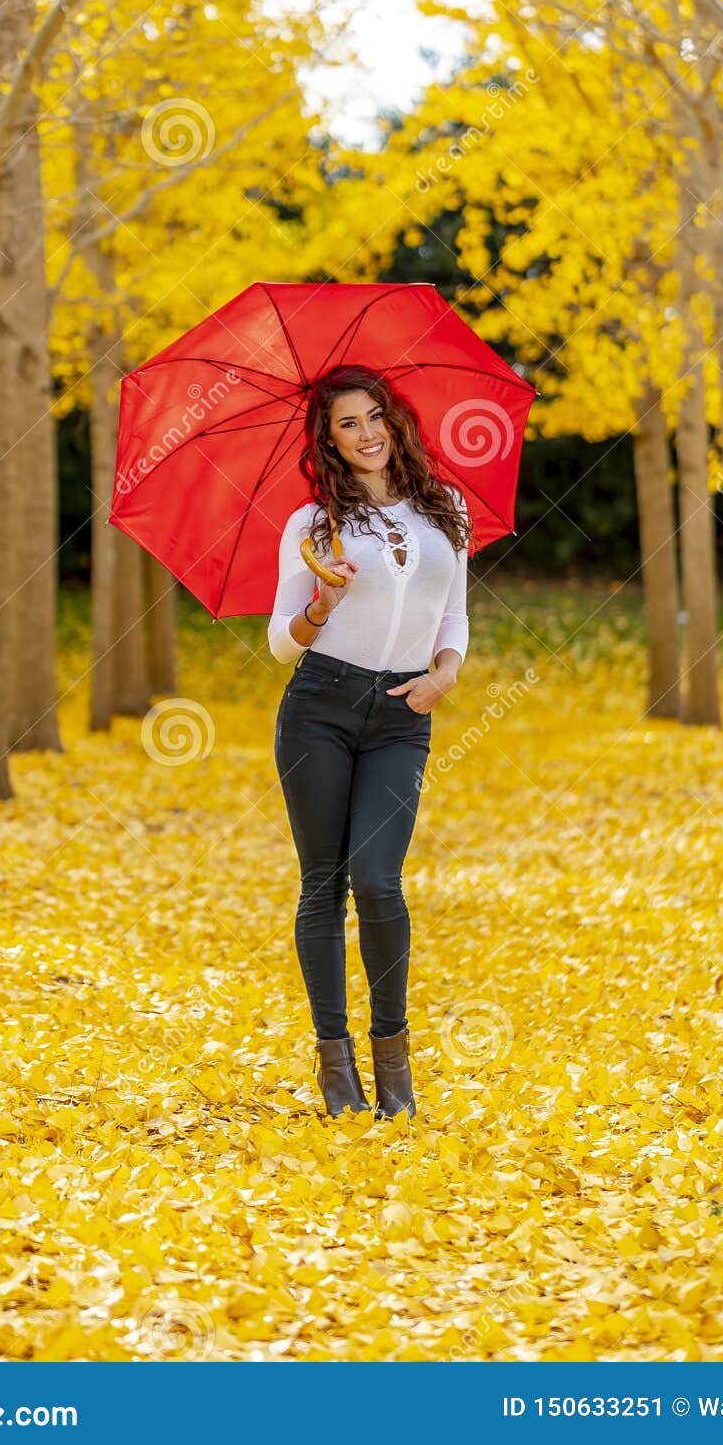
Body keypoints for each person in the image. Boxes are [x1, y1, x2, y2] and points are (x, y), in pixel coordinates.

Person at [267, 364, 470, 1121]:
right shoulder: (313, 526)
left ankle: (394, 1060)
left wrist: (444, 674)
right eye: (347, 423)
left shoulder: (445, 509)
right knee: (323, 883)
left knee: (379, 881)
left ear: (396, 420)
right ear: (328, 439)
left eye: (375, 416)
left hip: (401, 714)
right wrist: (323, 601)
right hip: (319, 708)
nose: (367, 433)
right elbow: (280, 644)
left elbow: (454, 615)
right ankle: (335, 1063)